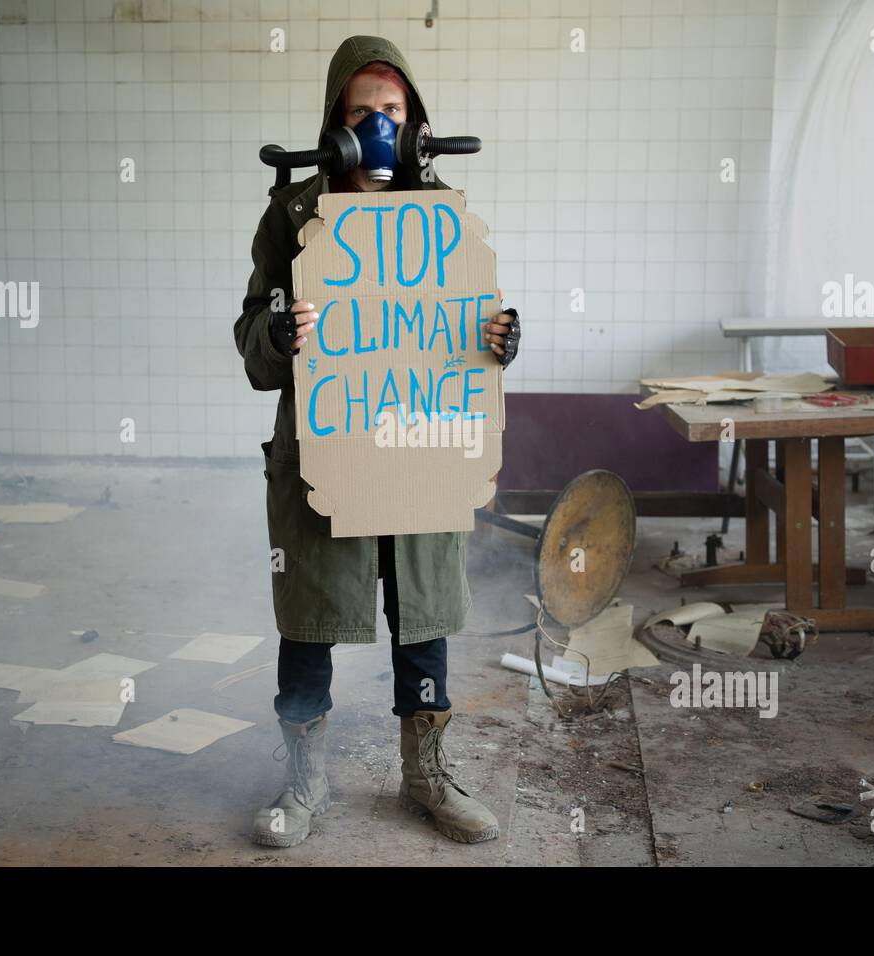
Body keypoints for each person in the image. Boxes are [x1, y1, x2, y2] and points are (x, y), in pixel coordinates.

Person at [233, 35, 521, 848]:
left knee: (421, 614)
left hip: (420, 447)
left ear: (418, 120)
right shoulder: (292, 219)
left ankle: (426, 775)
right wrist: (281, 333)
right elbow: (251, 342)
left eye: (392, 111)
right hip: (329, 454)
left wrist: (501, 338)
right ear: (336, 123)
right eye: (363, 112)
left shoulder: (445, 218)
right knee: (311, 615)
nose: (380, 126)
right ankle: (303, 780)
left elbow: (469, 326)